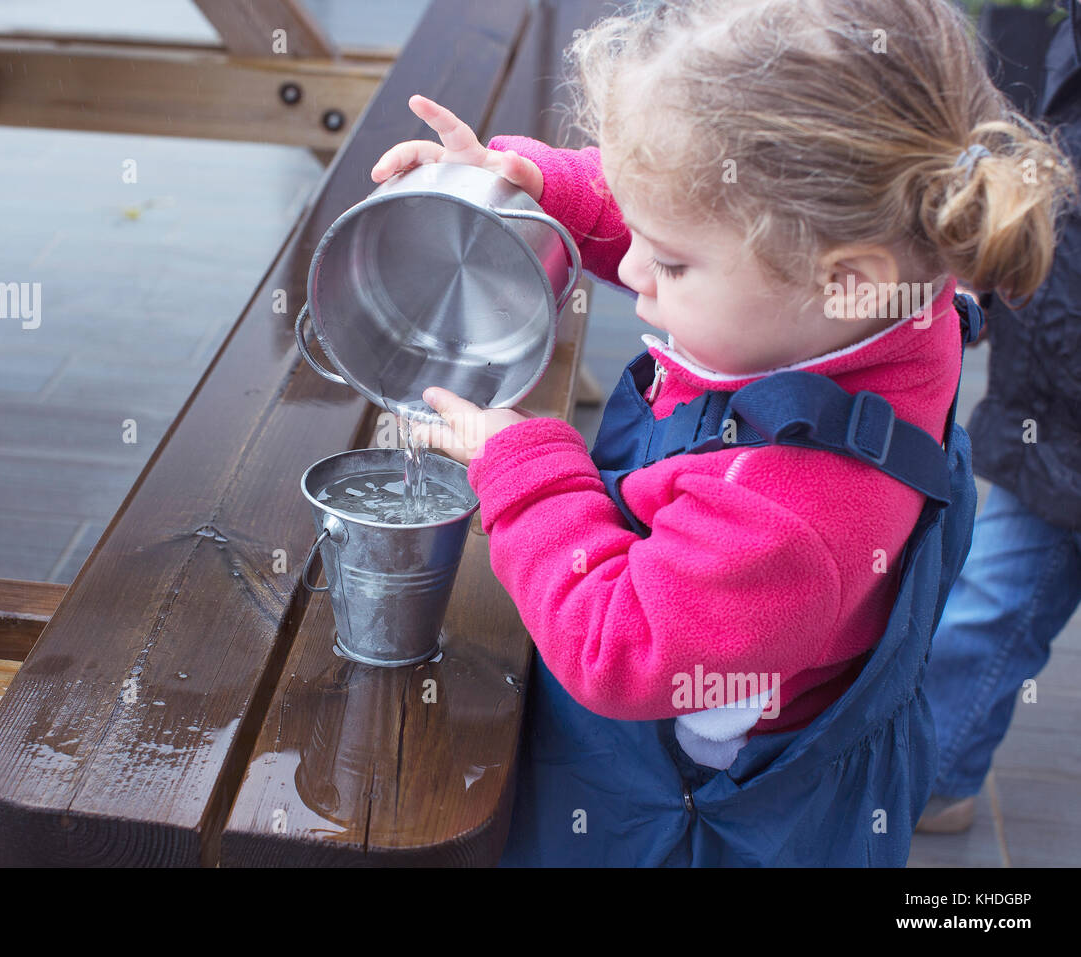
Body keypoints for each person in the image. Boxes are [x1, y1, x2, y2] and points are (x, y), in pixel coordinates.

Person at [370, 0, 1075, 865]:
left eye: (667, 263)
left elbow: (619, 644)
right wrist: (537, 185)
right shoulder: (876, 277)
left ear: (843, 278)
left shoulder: (795, 506)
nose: (630, 270)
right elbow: (696, 207)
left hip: (714, 809)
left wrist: (527, 465)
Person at [918, 0, 1081, 834]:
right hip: (1049, 418)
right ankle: (936, 775)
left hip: (1054, 416)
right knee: (986, 600)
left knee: (990, 601)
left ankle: (933, 773)